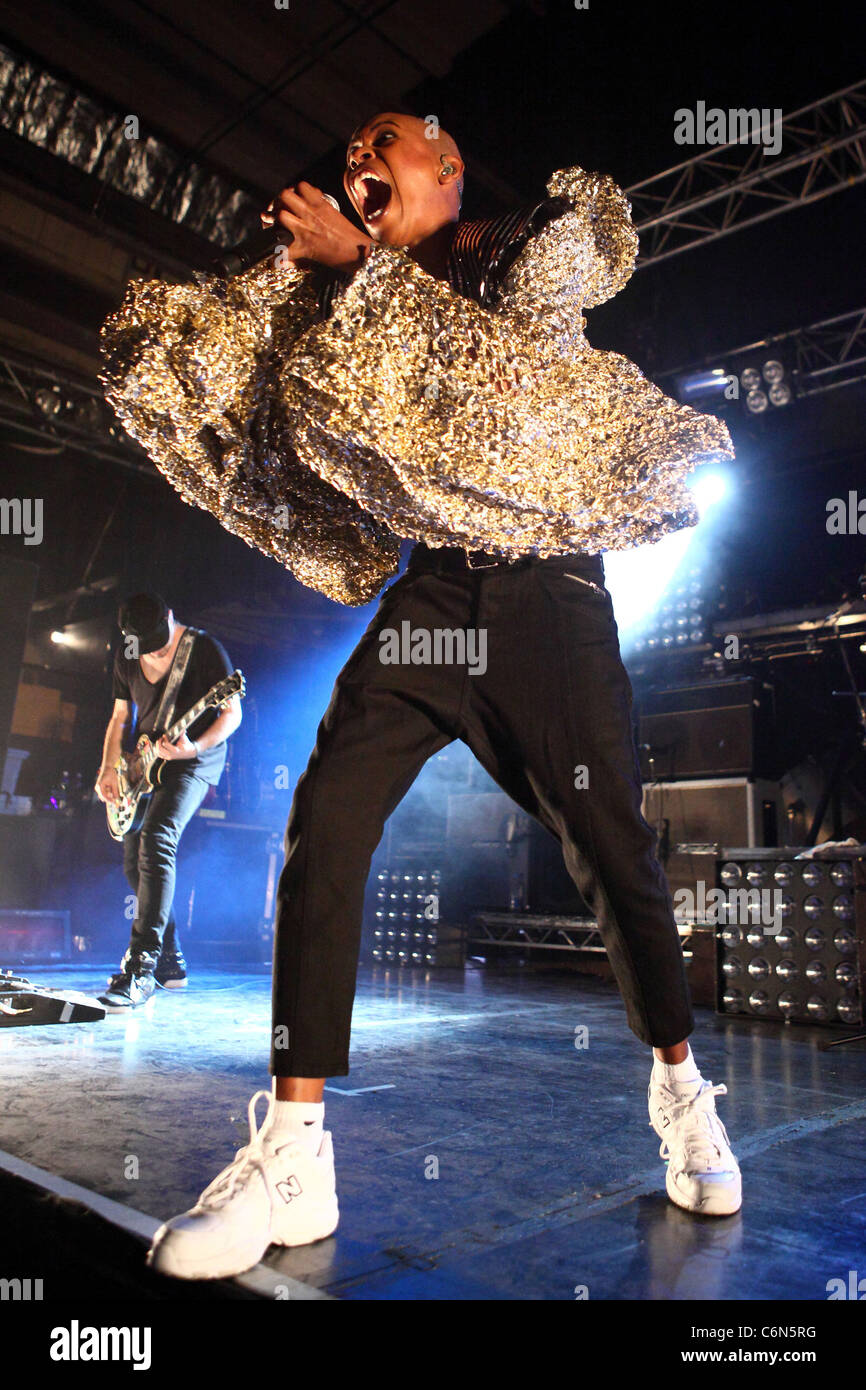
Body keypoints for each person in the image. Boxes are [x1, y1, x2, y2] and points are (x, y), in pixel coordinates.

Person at [101, 113, 740, 1280]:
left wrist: (359, 275)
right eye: (348, 153)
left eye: (382, 141)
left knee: (610, 847)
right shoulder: (357, 293)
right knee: (326, 817)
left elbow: (498, 386)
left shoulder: (520, 251)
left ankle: (682, 1090)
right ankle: (293, 1151)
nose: (359, 159)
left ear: (444, 164)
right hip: (439, 599)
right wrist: (234, 327)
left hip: (546, 593)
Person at [95, 592, 241, 1009]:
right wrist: (109, 767)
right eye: (146, 645)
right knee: (132, 864)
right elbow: (121, 717)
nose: (155, 651)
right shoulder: (127, 655)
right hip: (144, 761)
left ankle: (140, 966)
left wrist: (192, 748)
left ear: (170, 617)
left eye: (160, 641)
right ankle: (170, 959)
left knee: (158, 838)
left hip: (193, 760)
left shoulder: (206, 650)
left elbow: (232, 714)